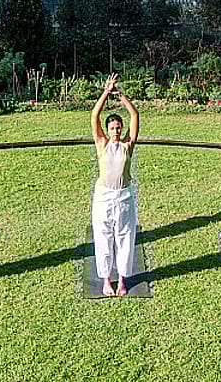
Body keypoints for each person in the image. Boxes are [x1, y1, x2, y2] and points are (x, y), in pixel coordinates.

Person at [90, 73, 140, 296]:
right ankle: (106, 281)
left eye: (119, 127)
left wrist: (121, 95)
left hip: (124, 196)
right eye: (112, 128)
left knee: (125, 238)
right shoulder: (102, 144)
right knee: (103, 237)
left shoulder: (127, 145)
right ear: (108, 130)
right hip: (103, 196)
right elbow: (94, 116)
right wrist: (106, 92)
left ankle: (121, 280)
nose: (116, 131)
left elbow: (134, 115)